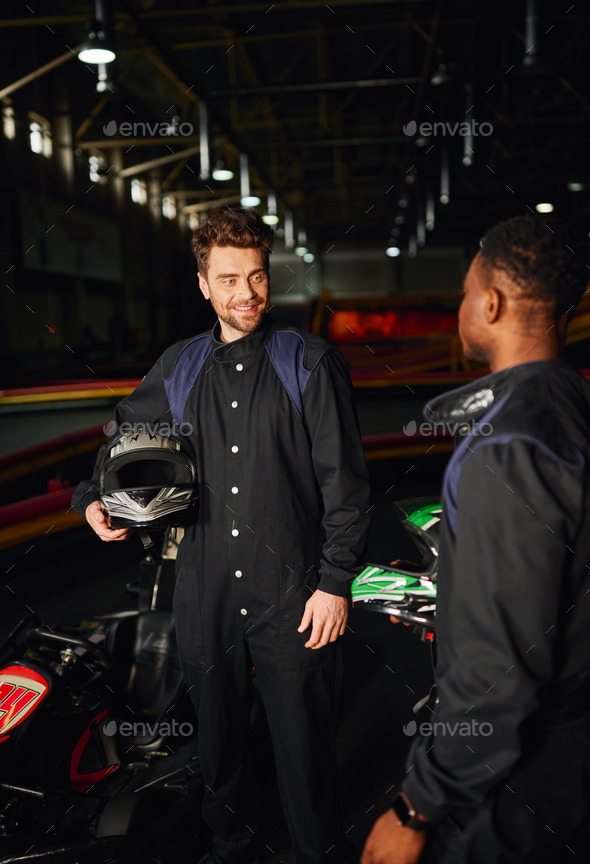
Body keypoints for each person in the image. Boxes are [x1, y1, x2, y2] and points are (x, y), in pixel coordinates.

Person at [72, 208, 371, 864]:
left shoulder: (311, 365)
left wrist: (334, 582)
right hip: (205, 588)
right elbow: (122, 438)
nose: (247, 294)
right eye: (230, 279)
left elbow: (345, 486)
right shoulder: (179, 368)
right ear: (204, 284)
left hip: (295, 589)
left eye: (258, 277)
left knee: (302, 737)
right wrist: (95, 497)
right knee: (219, 736)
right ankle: (232, 842)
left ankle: (318, 848)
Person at [362, 214, 590, 864]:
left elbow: (500, 675)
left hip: (521, 779)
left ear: (490, 303)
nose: (460, 307)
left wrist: (416, 805)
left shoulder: (504, 447)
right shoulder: (572, 405)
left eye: (464, 293)